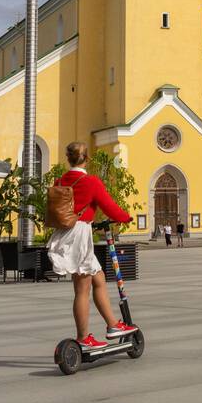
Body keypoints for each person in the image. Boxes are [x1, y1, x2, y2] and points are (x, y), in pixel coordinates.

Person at [46, 141, 138, 350]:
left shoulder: (60, 180)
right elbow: (110, 207)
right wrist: (126, 218)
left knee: (99, 279)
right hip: (78, 234)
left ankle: (113, 324)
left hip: (65, 232)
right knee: (82, 288)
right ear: (86, 159)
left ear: (68, 159)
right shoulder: (91, 182)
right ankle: (83, 338)